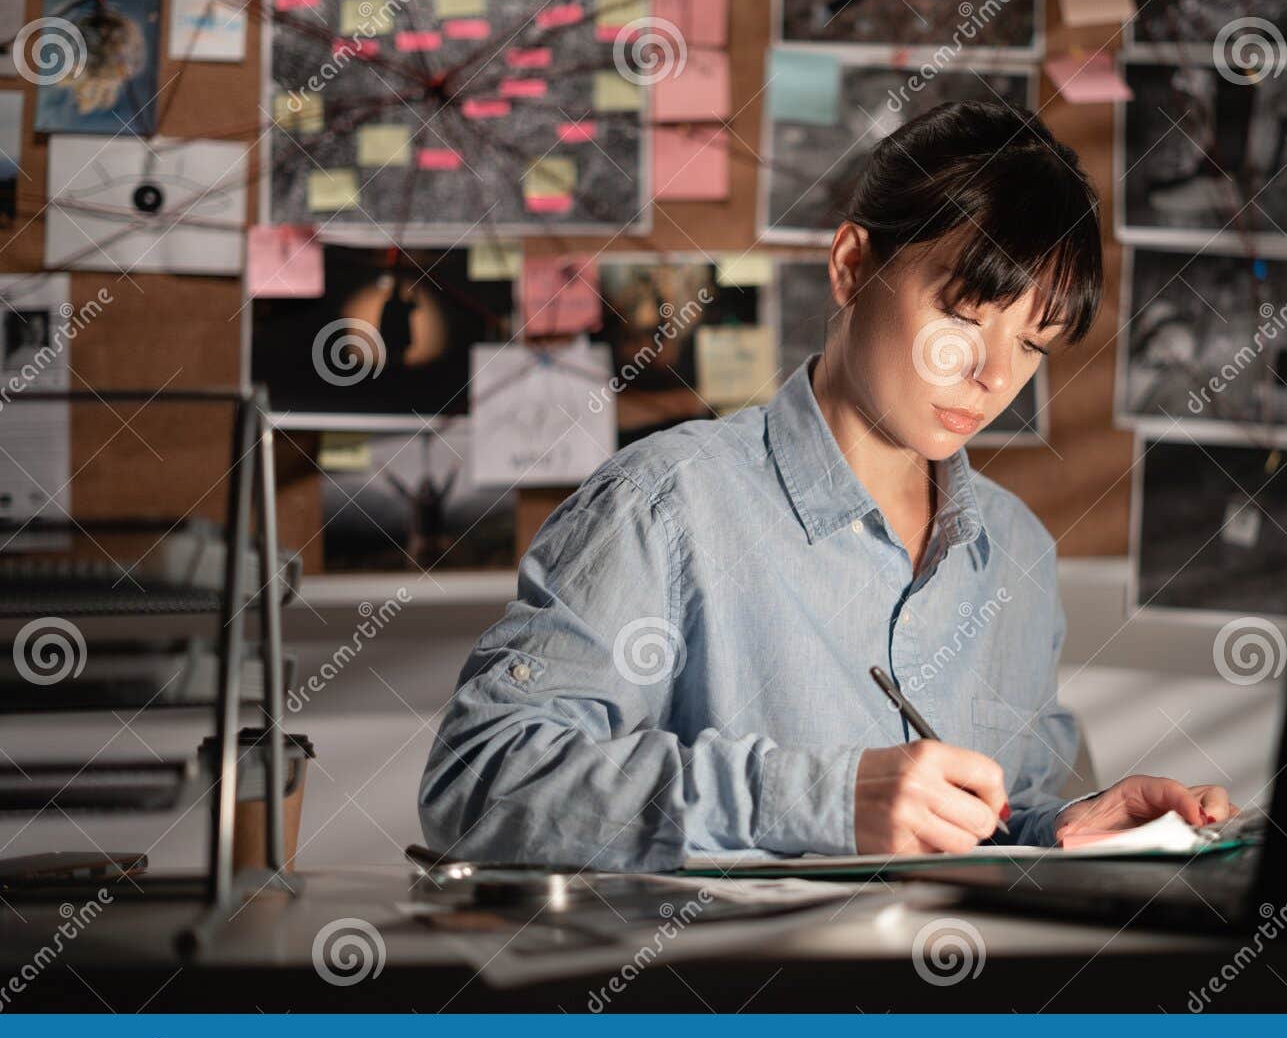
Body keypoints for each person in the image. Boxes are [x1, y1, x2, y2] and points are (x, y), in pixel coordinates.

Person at [419, 100, 1237, 870]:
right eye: (962, 315)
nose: (992, 376)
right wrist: (819, 798)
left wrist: (1063, 827)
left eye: (1032, 345)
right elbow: (478, 782)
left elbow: (994, 819)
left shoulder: (1015, 549)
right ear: (852, 266)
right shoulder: (666, 506)